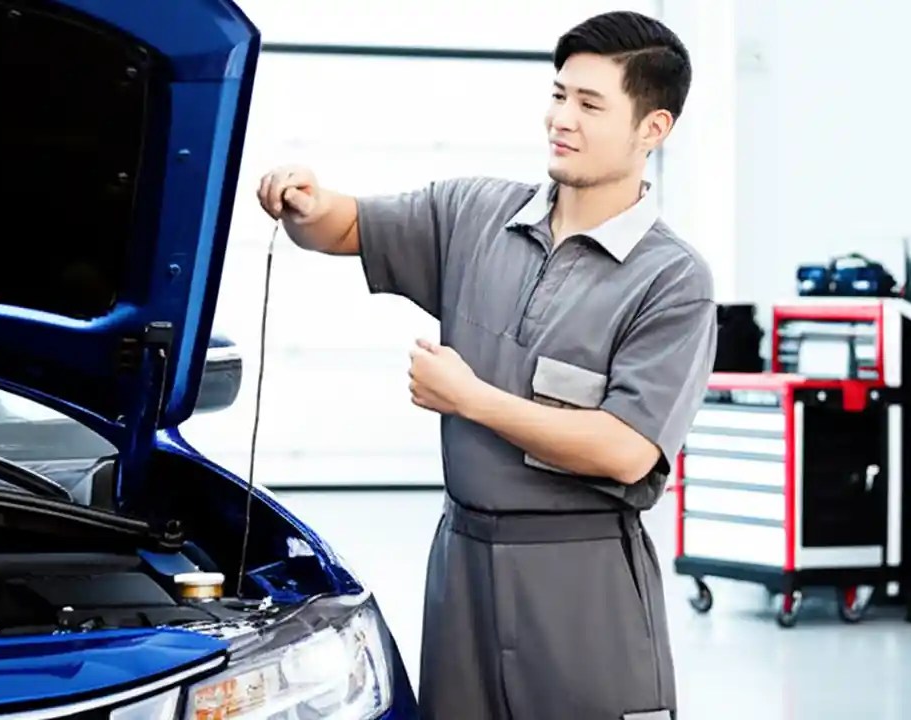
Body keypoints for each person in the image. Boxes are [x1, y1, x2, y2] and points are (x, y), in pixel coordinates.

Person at [257, 11, 713, 720]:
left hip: (581, 583)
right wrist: (305, 204)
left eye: (590, 105)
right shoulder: (473, 214)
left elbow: (627, 450)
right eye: (559, 94)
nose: (562, 117)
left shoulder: (672, 280)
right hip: (463, 567)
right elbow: (345, 226)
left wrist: (471, 399)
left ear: (653, 129)